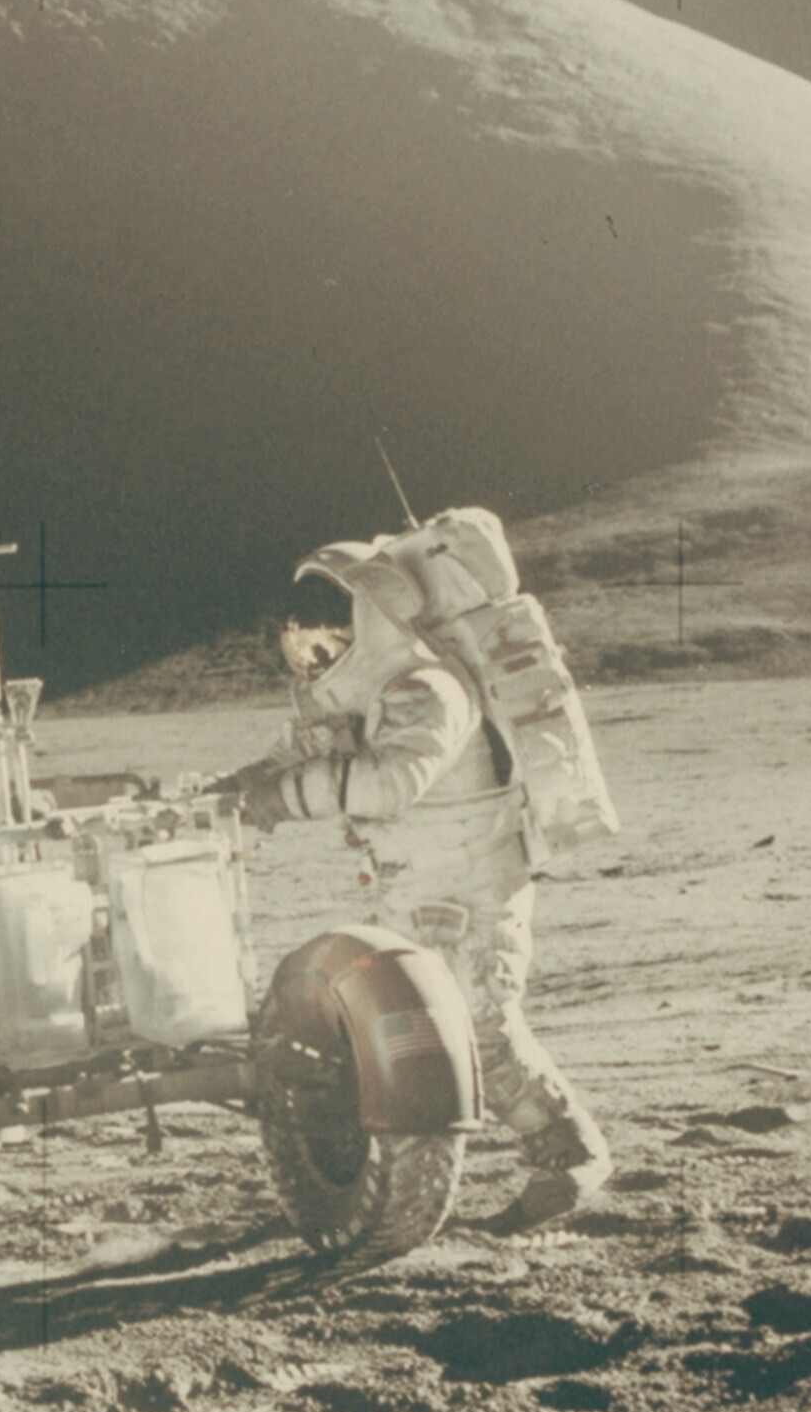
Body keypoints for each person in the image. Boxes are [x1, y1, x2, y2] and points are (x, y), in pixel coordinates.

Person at [219, 510, 615, 1234]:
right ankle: (375, 1176)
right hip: (413, 885)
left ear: (369, 620)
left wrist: (278, 800)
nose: (316, 654)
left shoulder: (426, 689)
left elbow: (389, 782)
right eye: (303, 641)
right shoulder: (358, 697)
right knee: (392, 1028)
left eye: (331, 636)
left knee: (480, 1026)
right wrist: (229, 793)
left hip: (469, 884)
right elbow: (291, 758)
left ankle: (571, 1154)